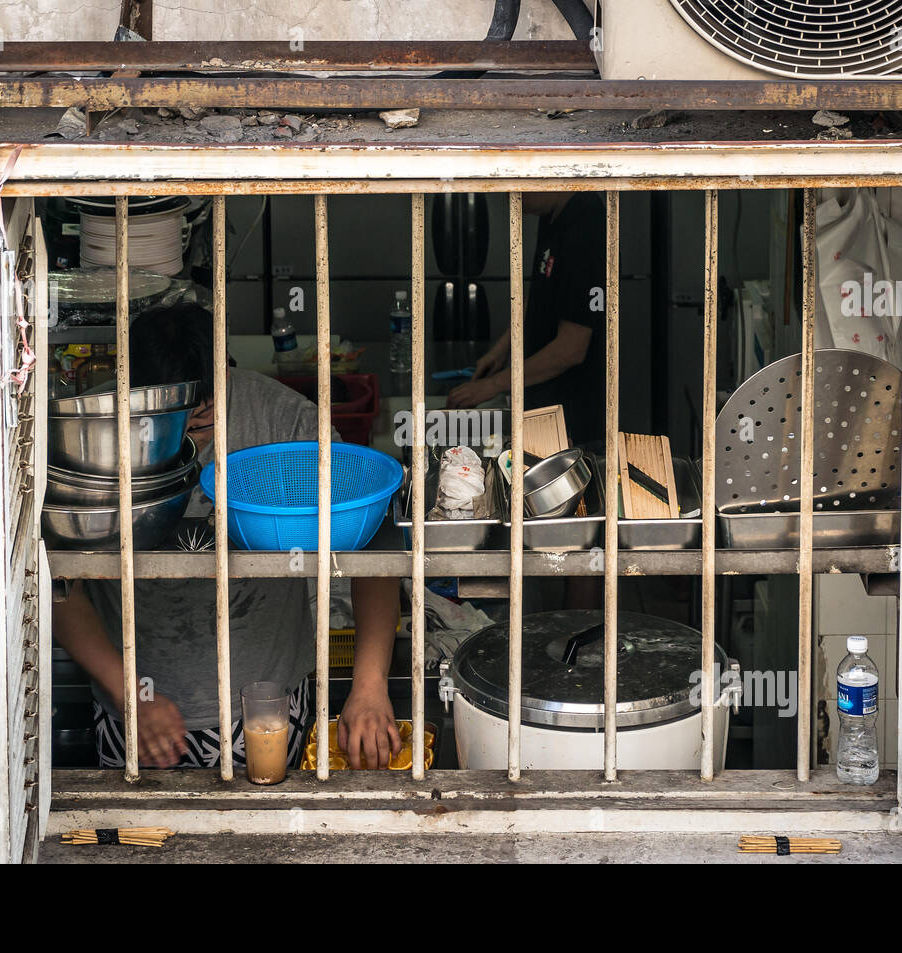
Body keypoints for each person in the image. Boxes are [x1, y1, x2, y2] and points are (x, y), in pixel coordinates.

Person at [52, 303, 403, 772]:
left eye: (206, 405)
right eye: (167, 409)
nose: (193, 421)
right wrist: (127, 692)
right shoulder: (87, 433)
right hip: (133, 710)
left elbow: (374, 546)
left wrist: (369, 686)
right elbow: (53, 574)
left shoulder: (289, 426)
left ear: (227, 369)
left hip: (268, 703)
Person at [446, 192, 608, 446]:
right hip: (540, 402)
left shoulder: (588, 223)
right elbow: (541, 292)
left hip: (573, 419)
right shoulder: (551, 213)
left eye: (519, 192)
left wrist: (493, 385)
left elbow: (571, 348)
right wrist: (503, 348)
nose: (515, 202)